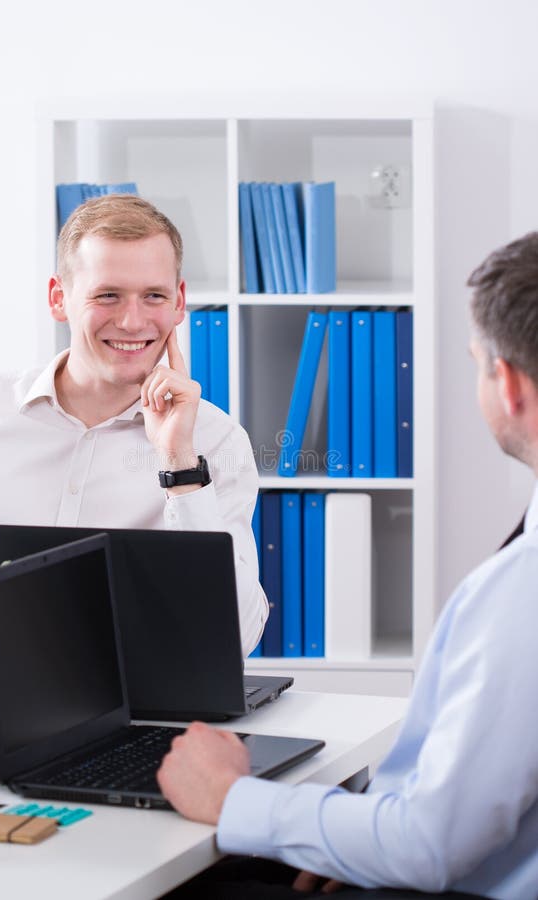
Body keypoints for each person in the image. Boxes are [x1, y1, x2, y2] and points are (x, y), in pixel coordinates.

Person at [157, 233, 538, 899]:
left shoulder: (524, 592)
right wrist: (346, 834)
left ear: (506, 384)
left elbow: (429, 846)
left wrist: (233, 797)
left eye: (477, 363)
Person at [0, 194, 268, 655]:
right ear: (59, 298)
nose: (132, 322)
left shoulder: (216, 440)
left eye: (154, 296)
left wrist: (180, 465)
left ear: (179, 303)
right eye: (107, 294)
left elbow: (238, 638)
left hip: (138, 711)